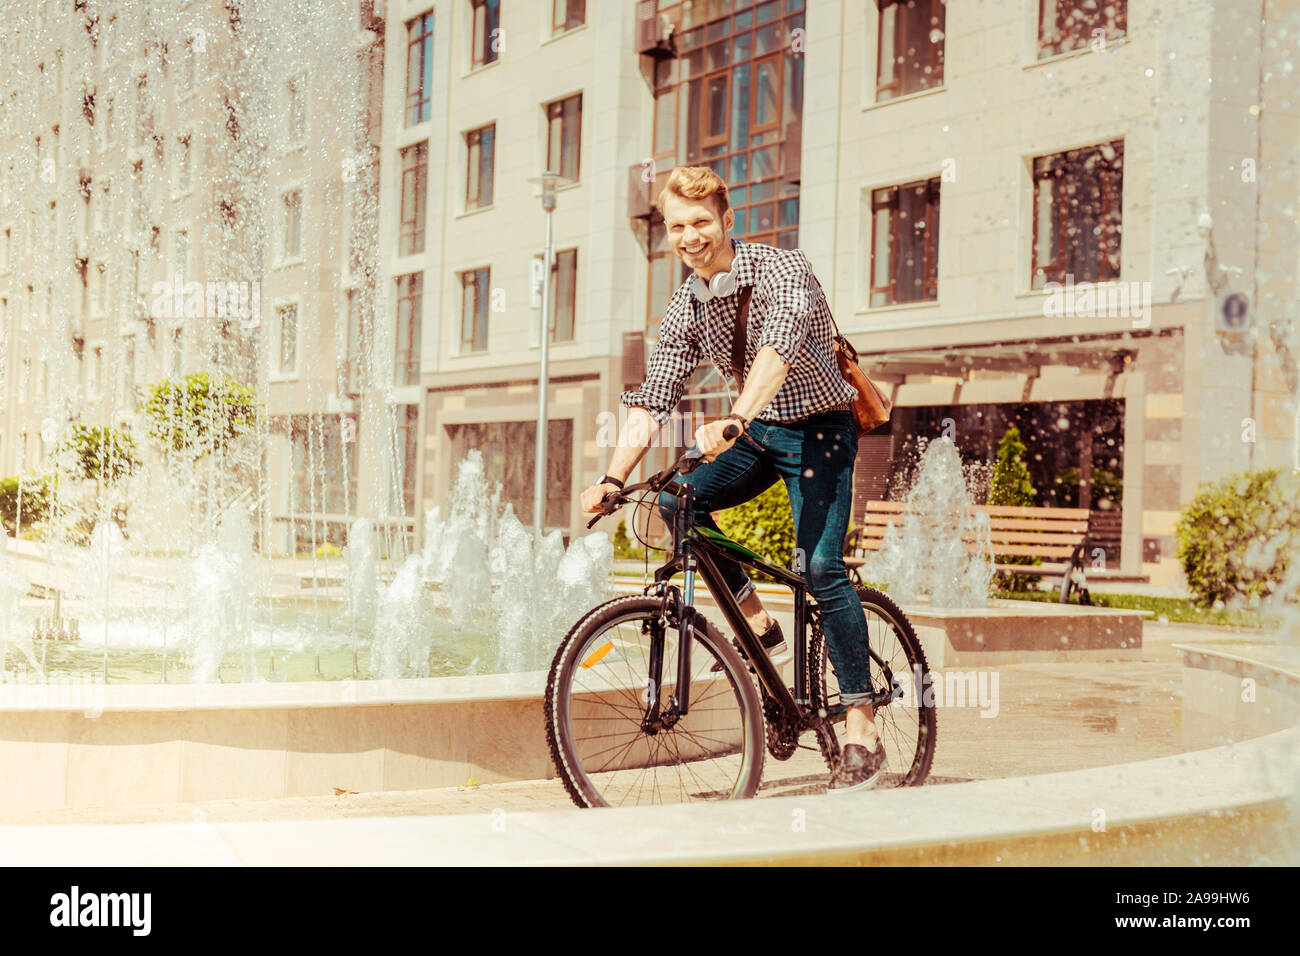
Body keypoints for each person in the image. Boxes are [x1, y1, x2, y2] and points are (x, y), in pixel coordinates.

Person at [580, 165, 885, 793]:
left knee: (821, 568)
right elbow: (656, 390)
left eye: (699, 222)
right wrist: (612, 477)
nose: (688, 237)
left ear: (727, 221)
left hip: (819, 429)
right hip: (758, 432)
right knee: (671, 500)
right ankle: (757, 620)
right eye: (675, 226)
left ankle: (861, 723)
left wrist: (735, 416)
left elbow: (778, 349)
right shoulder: (687, 300)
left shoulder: (783, 270)